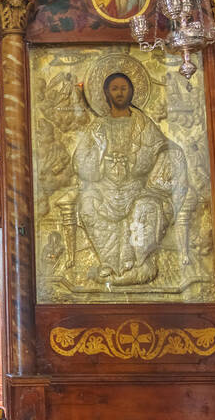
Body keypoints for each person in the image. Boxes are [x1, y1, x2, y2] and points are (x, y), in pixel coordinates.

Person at [72, 72, 187, 285]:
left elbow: (161, 150)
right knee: (87, 205)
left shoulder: (143, 124)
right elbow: (80, 162)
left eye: (123, 88)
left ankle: (137, 263)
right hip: (104, 188)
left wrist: (132, 163)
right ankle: (108, 263)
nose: (119, 92)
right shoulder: (98, 127)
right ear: (106, 93)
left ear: (132, 92)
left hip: (137, 187)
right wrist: (101, 153)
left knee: (145, 207)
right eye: (114, 88)